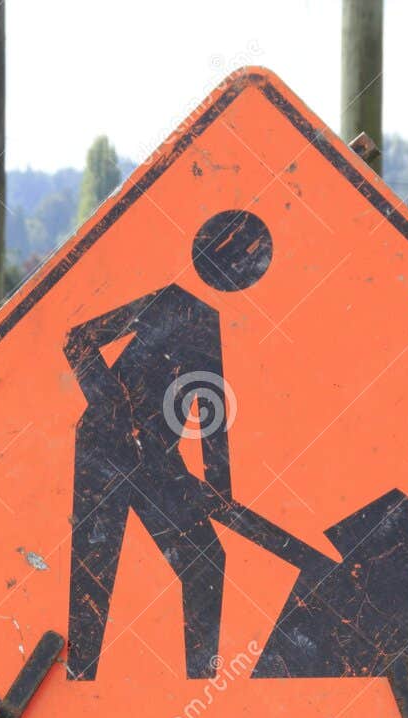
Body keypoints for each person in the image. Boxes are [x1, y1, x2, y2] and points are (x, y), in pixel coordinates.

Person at [64, 210, 271, 681]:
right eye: (241, 261)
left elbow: (212, 414)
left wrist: (221, 492)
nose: (246, 273)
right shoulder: (169, 303)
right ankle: (77, 683)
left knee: (206, 561)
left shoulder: (213, 327)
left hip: (158, 460)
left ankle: (202, 682)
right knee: (96, 562)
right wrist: (117, 413)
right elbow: (78, 339)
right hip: (104, 445)